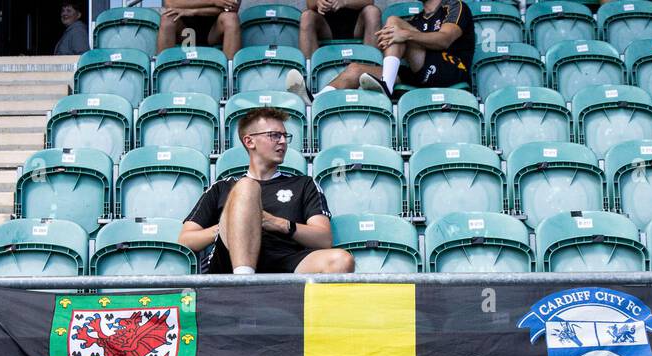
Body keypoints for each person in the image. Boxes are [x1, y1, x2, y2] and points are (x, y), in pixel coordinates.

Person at [178, 108, 354, 275]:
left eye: (285, 136)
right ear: (249, 141)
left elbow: (323, 239)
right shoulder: (222, 186)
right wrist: (234, 224)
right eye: (275, 135)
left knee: (341, 260)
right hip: (230, 261)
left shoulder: (304, 184)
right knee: (247, 186)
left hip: (285, 260)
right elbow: (186, 239)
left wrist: (279, 224)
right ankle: (244, 283)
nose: (283, 141)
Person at [314, 0, 474, 99]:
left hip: (450, 70)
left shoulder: (454, 6)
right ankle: (316, 99)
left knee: (393, 22)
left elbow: (445, 39)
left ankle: (386, 85)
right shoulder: (416, 20)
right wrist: (398, 36)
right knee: (355, 69)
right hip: (419, 74)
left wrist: (405, 34)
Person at [297, 0, 380, 60]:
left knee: (372, 12)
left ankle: (372, 69)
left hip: (355, 26)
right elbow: (310, 3)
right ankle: (308, 75)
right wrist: (318, 2)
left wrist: (344, 2)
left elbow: (369, 1)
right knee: (306, 16)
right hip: (326, 28)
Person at [157, 0, 241, 60]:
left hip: (214, 32)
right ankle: (162, 71)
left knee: (231, 18)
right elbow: (170, 3)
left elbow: (232, 8)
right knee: (167, 19)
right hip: (186, 33)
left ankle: (230, 76)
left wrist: (193, 11)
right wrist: (213, 1)